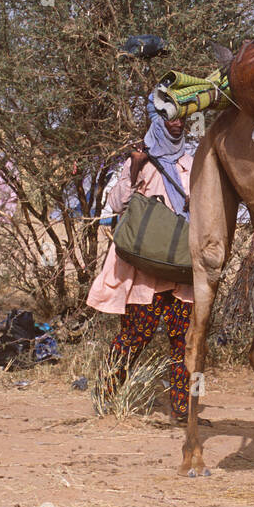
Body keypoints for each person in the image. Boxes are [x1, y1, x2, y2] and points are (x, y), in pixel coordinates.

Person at [86, 98, 195, 422]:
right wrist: (134, 167)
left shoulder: (192, 163)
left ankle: (182, 411)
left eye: (181, 120)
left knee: (184, 342)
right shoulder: (139, 162)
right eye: (170, 119)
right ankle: (104, 400)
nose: (177, 125)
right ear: (158, 122)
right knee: (134, 337)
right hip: (145, 272)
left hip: (180, 270)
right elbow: (118, 204)